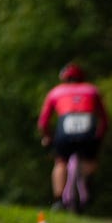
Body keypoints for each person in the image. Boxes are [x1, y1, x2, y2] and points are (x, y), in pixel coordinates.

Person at [37, 63, 108, 206]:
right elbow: (104, 120)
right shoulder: (92, 90)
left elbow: (43, 122)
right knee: (90, 161)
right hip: (88, 132)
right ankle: (85, 183)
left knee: (60, 162)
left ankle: (58, 199)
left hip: (64, 131)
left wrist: (47, 137)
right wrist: (99, 136)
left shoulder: (55, 92)